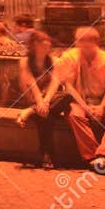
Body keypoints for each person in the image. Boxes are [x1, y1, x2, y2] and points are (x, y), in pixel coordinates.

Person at [57, 26, 105, 173]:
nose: (83, 44)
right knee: (74, 115)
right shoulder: (69, 57)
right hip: (78, 100)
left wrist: (102, 106)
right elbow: (68, 87)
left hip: (103, 99)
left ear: (96, 41)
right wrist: (84, 106)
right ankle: (93, 156)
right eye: (80, 40)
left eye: (88, 40)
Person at [14, 30, 66, 168]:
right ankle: (47, 155)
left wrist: (46, 101)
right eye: (44, 43)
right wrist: (39, 102)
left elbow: (55, 84)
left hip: (52, 98)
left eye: (48, 43)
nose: (48, 45)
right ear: (34, 44)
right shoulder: (25, 62)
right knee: (46, 116)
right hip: (33, 97)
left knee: (67, 96)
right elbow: (30, 84)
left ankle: (30, 112)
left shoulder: (55, 61)